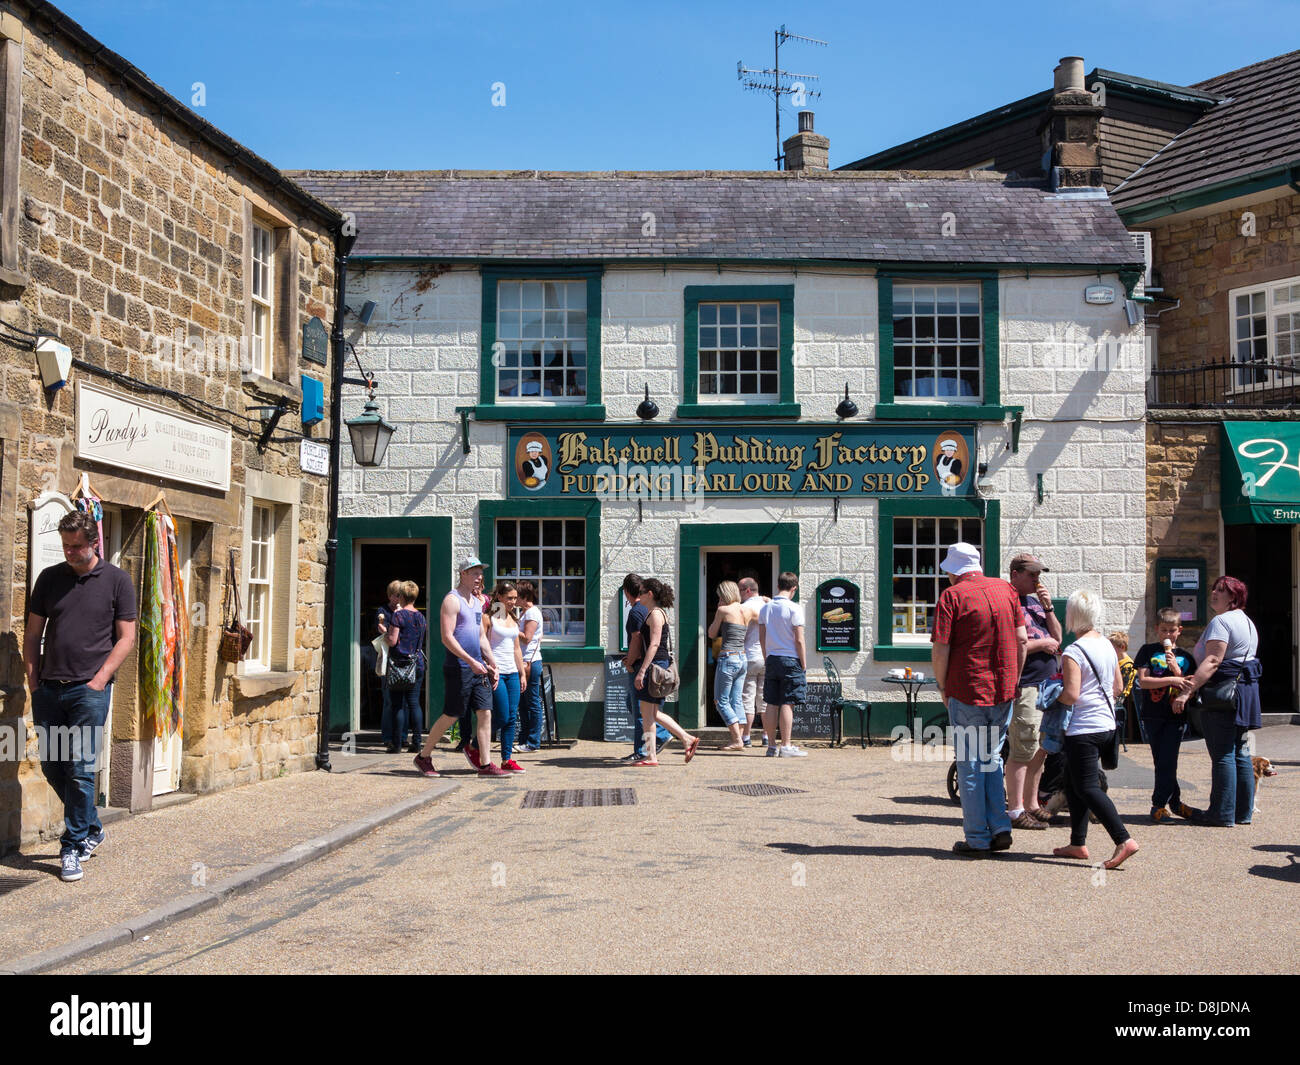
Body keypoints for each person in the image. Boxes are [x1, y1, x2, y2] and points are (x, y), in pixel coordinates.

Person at [24, 509, 138, 883]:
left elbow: (126, 638)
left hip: (88, 691)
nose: (70, 552)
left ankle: (71, 846)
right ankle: (91, 826)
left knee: (81, 768)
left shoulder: (118, 581)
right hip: (49, 689)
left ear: (94, 543)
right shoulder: (50, 579)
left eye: (77, 547)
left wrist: (101, 679)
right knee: (53, 767)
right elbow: (31, 636)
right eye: (65, 546)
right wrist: (33, 682)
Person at [930, 542, 1026, 857]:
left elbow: (941, 648)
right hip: (1002, 690)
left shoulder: (952, 596)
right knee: (992, 760)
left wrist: (943, 687)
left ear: (952, 570)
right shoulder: (1007, 591)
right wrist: (1014, 678)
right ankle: (999, 827)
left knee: (970, 764)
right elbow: (1022, 640)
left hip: (968, 688)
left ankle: (977, 838)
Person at [1052, 589, 1139, 870]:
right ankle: (1078, 843)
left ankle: (1123, 839)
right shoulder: (1106, 646)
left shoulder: (1074, 651)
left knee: (1088, 787)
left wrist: (1051, 700)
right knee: (1072, 782)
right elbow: (1115, 688)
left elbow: (1072, 694)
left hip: (1083, 727)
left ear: (1072, 616)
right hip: (1106, 724)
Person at [1172, 576, 1262, 827]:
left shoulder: (1222, 621)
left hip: (1223, 694)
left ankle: (1221, 813)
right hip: (1242, 693)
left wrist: (1186, 691)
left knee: (1223, 753)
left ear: (1233, 597)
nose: (1213, 593)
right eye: (1213, 588)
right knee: (1240, 752)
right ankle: (1242, 813)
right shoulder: (1247, 622)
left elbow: (1212, 662)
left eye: (1221, 591)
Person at [413, 557, 507, 778]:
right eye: (474, 573)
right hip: (459, 667)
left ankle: (485, 764)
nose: (479, 577)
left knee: (485, 713)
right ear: (462, 574)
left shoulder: (477, 602)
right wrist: (471, 661)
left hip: (478, 667)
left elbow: (481, 635)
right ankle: (424, 756)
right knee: (452, 715)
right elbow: (447, 637)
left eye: (480, 573)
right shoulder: (452, 600)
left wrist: (492, 662)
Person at [1003, 554, 1061, 831]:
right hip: (1025, 684)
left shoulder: (1035, 603)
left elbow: (1058, 637)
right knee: (1023, 748)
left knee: (1040, 748)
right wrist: (1043, 644)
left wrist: (1049, 608)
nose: (1037, 579)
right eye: (1031, 574)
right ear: (1015, 574)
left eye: (1039, 575)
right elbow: (1011, 646)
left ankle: (1032, 803)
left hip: (1047, 685)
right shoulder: (1007, 601)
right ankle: (1015, 808)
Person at [1134, 607, 1197, 822]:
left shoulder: (1186, 657)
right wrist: (1170, 679)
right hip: (1152, 714)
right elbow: (1143, 681)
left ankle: (1159, 804)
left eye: (1172, 631)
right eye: (1163, 631)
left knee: (1168, 759)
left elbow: (1189, 685)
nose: (1167, 635)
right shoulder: (1147, 651)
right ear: (1156, 630)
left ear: (1179, 631)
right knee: (1162, 760)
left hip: (1175, 716)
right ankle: (1175, 803)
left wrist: (1176, 671)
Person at [631, 578, 699, 766]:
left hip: (654, 666)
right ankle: (686, 739)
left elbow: (653, 644)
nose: (639, 596)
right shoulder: (659, 613)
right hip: (660, 664)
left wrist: (641, 671)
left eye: (642, 592)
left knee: (647, 715)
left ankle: (651, 756)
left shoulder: (654, 614)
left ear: (650, 594)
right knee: (653, 714)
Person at [759, 571, 808, 758]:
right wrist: (803, 663)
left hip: (772, 658)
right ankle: (786, 746)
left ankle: (771, 746)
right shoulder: (795, 608)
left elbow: (761, 638)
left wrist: (767, 657)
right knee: (788, 702)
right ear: (793, 588)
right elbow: (799, 640)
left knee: (771, 702)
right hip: (791, 659)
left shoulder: (766, 608)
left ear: (778, 585)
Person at [622, 573, 670, 762]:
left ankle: (646, 750)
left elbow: (642, 640)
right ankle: (651, 750)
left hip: (647, 665)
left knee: (644, 713)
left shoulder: (639, 611)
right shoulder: (648, 610)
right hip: (651, 665)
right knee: (646, 711)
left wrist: (634, 664)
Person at [486, 581, 527, 773]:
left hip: (512, 672)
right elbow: (483, 645)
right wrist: (490, 668)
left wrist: (521, 674)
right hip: (497, 672)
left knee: (511, 717)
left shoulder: (513, 617)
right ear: (499, 597)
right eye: (509, 598)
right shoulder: (489, 617)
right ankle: (477, 744)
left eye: (514, 598)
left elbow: (517, 648)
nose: (513, 601)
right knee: (501, 715)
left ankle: (506, 759)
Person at [385, 580, 427, 755]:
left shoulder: (398, 616)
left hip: (399, 664)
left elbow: (393, 640)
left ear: (401, 596)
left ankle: (397, 744)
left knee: (397, 705)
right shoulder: (420, 616)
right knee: (414, 703)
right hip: (416, 663)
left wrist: (386, 635)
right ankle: (417, 743)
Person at [707, 581, 748, 750]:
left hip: (728, 658)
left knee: (720, 701)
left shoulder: (723, 610)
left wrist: (719, 610)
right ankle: (739, 739)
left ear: (724, 596)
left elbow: (711, 633)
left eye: (719, 597)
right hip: (743, 659)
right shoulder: (746, 609)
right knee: (736, 700)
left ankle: (737, 740)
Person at [738, 577, 768, 747]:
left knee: (747, 699)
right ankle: (765, 736)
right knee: (764, 699)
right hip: (766, 655)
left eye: (740, 590)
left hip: (749, 655)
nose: (738, 594)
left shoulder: (743, 608)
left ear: (747, 590)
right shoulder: (768, 605)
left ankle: (746, 736)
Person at [515, 581, 545, 753]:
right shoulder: (526, 612)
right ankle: (525, 739)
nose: (514, 599)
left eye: (517, 596)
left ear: (524, 596)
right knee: (524, 703)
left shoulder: (532, 613)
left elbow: (527, 637)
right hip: (525, 662)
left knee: (532, 702)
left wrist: (511, 629)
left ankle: (533, 742)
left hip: (530, 662)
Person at [376, 580, 403, 752]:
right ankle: (387, 737)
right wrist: (388, 631)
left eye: (401, 595)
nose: (398, 598)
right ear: (389, 595)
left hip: (403, 660)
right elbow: (382, 630)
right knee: (388, 700)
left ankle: (401, 736)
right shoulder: (382, 611)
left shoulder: (405, 612)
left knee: (404, 702)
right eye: (395, 595)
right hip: (387, 660)